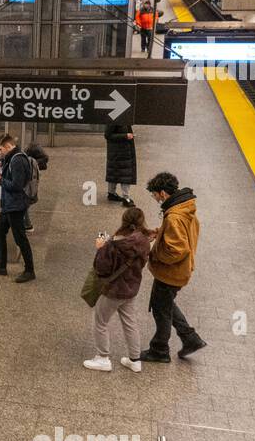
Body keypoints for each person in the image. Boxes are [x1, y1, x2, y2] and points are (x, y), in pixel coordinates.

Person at [140, 171, 207, 363]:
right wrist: (159, 233)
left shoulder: (174, 217)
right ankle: (190, 338)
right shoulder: (184, 208)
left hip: (170, 272)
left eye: (154, 194)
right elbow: (180, 233)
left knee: (160, 308)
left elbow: (177, 249)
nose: (154, 198)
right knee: (164, 304)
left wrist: (154, 251)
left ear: (162, 193)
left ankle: (160, 350)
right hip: (180, 270)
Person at [83, 207, 155, 373]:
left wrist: (101, 247)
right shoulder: (144, 241)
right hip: (131, 288)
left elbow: (101, 268)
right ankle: (135, 360)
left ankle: (103, 358)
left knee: (100, 321)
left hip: (114, 290)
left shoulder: (115, 245)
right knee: (130, 322)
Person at [0, 132, 36, 282]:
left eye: (0, 149)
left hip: (16, 205)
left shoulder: (17, 160)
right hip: (9, 204)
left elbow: (17, 185)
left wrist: (0, 179)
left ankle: (30, 270)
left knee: (20, 238)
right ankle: (1, 265)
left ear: (8, 146)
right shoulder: (12, 157)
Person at [105, 124, 137, 206]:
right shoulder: (115, 119)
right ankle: (126, 198)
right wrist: (125, 136)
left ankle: (111, 193)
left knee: (114, 171)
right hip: (119, 151)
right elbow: (108, 135)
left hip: (121, 151)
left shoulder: (123, 117)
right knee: (125, 174)